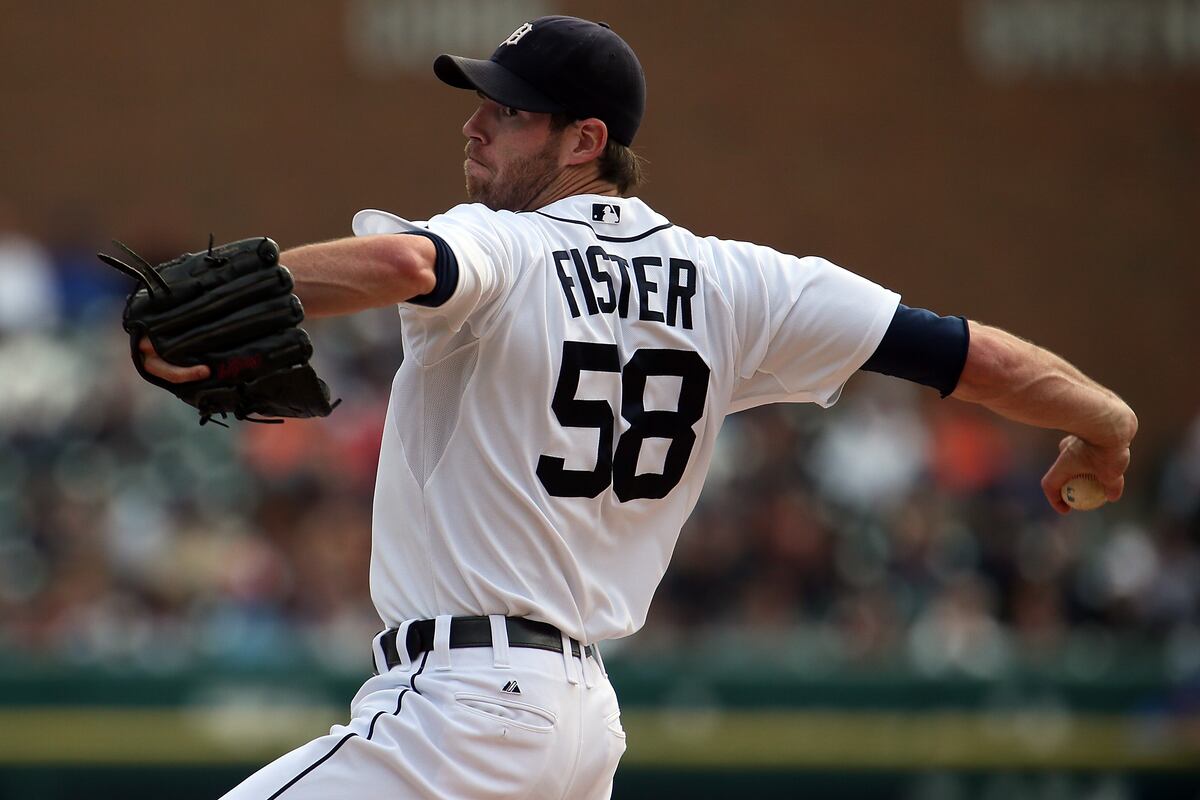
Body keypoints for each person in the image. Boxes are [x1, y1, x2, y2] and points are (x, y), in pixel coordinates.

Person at [142, 16, 1136, 800]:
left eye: (510, 110)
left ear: (587, 140)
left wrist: (234, 290)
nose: (476, 122)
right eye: (483, 101)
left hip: (460, 710)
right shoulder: (742, 286)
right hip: (579, 726)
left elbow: (409, 262)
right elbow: (970, 356)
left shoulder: (508, 242)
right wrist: (1106, 419)